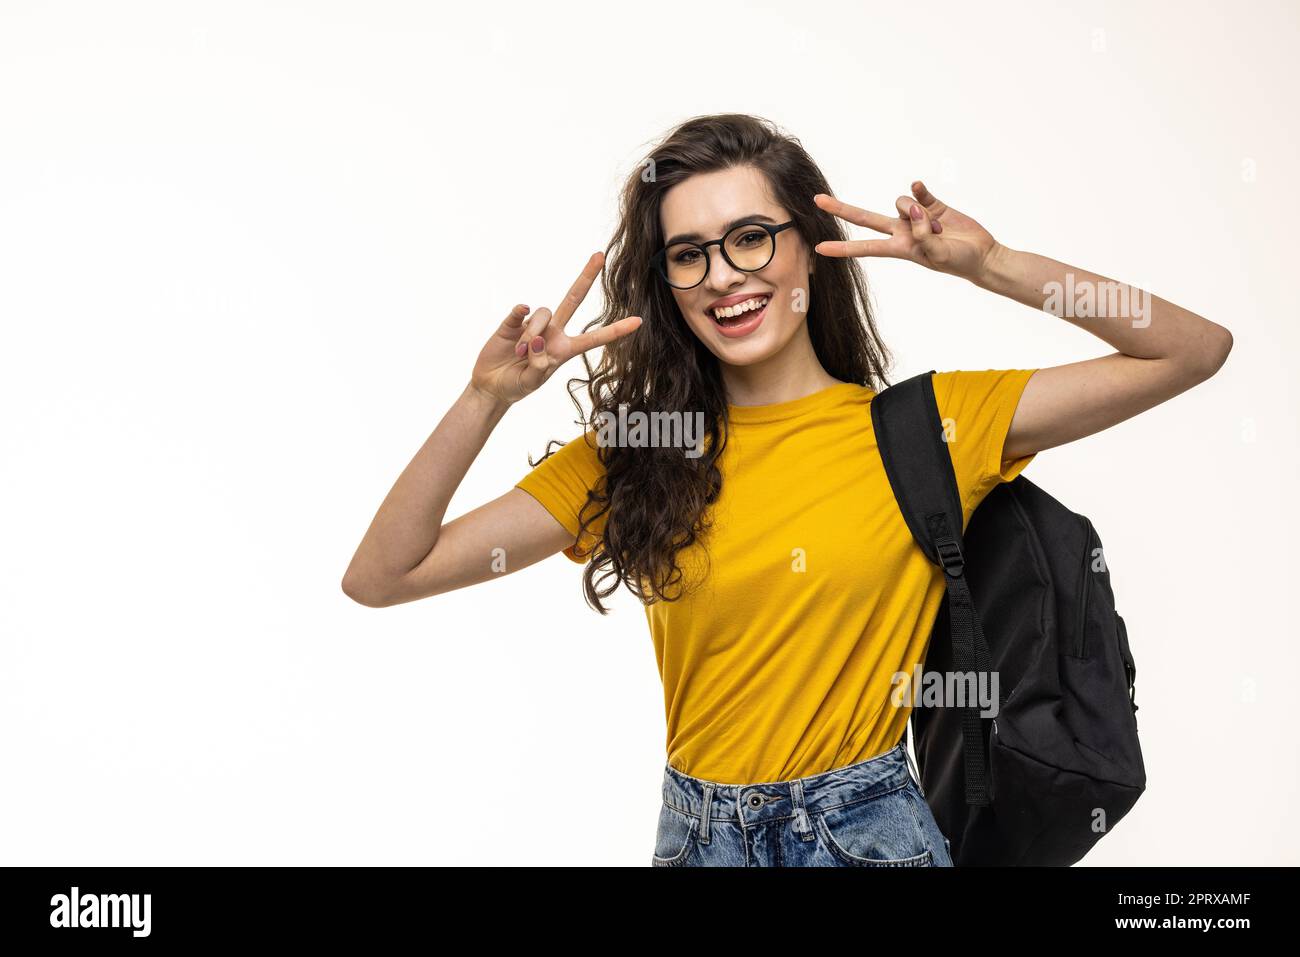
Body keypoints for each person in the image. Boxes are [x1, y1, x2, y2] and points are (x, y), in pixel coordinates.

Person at [341, 113, 1232, 866]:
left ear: (811, 249)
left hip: (867, 833)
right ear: (667, 285)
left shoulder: (932, 427)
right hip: (693, 838)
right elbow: (384, 573)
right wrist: (485, 398)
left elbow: (1192, 349)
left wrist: (989, 264)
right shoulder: (637, 455)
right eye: (688, 255)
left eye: (751, 237)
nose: (724, 275)